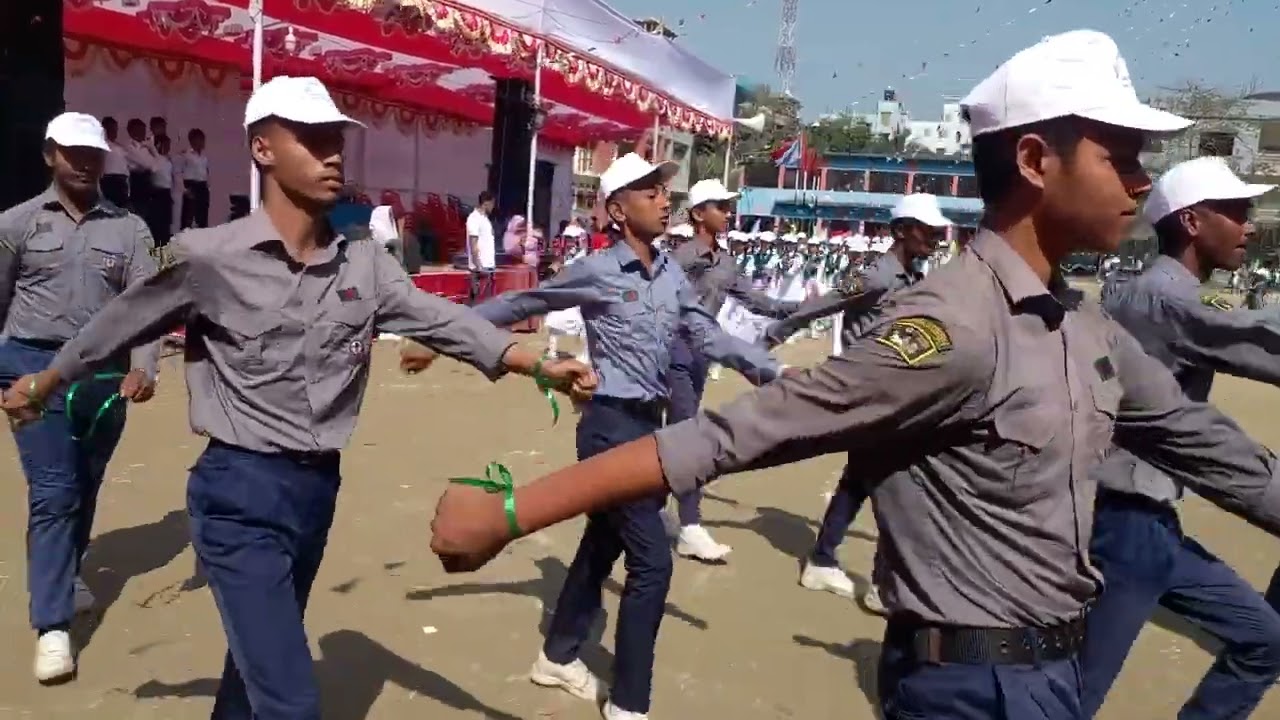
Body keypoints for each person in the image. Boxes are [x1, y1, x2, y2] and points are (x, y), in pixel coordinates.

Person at [426, 31, 1280, 720]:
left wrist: (760, 348)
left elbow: (1201, 442)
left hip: (1050, 674)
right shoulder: (953, 325)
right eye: (1120, 155)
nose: (1140, 181)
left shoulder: (1082, 323)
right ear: (1033, 160)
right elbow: (744, 433)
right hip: (967, 689)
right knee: (652, 555)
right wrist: (509, 512)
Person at [0, 76, 596, 717]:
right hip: (238, 495)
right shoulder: (209, 257)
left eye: (335, 140)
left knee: (254, 672)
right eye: (311, 140)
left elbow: (441, 321)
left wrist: (537, 361)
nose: (332, 154)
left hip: (316, 491)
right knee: (290, 700)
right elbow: (114, 325)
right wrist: (47, 379)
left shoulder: (364, 266)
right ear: (262, 149)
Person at [468, 153, 784, 720]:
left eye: (665, 191)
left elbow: (706, 334)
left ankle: (557, 655)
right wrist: (445, 332)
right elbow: (523, 302)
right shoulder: (597, 271)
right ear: (617, 210)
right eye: (650, 192)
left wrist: (771, 371)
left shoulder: (669, 273)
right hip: (608, 428)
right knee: (653, 562)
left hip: (649, 425)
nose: (666, 200)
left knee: (602, 545)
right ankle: (631, 703)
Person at [1082, 156, 1280, 718]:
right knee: (1075, 696)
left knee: (1265, 641)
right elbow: (1257, 338)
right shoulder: (1164, 300)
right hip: (1126, 527)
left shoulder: (1143, 292)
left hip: (1153, 526)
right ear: (1193, 223)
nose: (1249, 225)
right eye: (1237, 212)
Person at [0, 112, 161, 683]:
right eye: (73, 151)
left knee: (85, 481)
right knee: (55, 489)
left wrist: (144, 367)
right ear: (50, 154)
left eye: (93, 152)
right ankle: (52, 626)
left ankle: (66, 571)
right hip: (31, 367)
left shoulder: (131, 230)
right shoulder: (16, 224)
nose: (85, 162)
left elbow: (147, 306)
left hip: (103, 377)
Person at [765, 193, 949, 614]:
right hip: (870, 392)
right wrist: (779, 330)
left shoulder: (911, 279)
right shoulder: (877, 276)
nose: (936, 238)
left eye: (939, 231)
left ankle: (825, 558)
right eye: (928, 230)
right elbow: (827, 301)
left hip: (895, 392)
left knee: (865, 478)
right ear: (902, 231)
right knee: (891, 482)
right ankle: (876, 578)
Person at [665, 179, 817, 562]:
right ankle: (689, 525)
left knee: (675, 432)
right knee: (688, 436)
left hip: (701, 356)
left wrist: (800, 307)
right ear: (699, 213)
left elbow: (758, 302)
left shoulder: (726, 261)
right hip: (671, 353)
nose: (729, 213)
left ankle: (655, 512)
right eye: (721, 206)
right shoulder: (681, 257)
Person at [466, 190, 496, 302]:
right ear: (486, 203)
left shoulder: (485, 219)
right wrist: (478, 266)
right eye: (492, 204)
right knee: (478, 303)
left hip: (488, 267)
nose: (493, 207)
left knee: (487, 304)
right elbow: (473, 243)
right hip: (480, 269)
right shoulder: (474, 218)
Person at [122, 118, 156, 218]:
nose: (143, 133)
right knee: (137, 214)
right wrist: (149, 162)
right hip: (136, 183)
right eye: (139, 130)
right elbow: (147, 163)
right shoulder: (128, 147)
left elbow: (155, 165)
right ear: (131, 131)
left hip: (147, 183)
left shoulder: (146, 147)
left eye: (143, 130)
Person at [179, 128, 210, 229]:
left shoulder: (204, 157)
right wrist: (184, 189)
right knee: (188, 217)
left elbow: (206, 172)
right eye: (200, 139)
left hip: (202, 187)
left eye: (203, 139)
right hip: (191, 186)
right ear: (192, 140)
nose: (202, 142)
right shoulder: (186, 155)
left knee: (202, 217)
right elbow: (179, 172)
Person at [150, 134, 175, 247]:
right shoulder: (154, 159)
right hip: (157, 192)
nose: (168, 147)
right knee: (157, 224)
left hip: (167, 192)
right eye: (165, 145)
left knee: (166, 223)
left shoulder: (168, 159)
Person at [99, 116, 130, 208]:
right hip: (109, 181)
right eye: (111, 129)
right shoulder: (102, 146)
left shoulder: (121, 147)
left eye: (115, 129)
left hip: (122, 181)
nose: (114, 132)